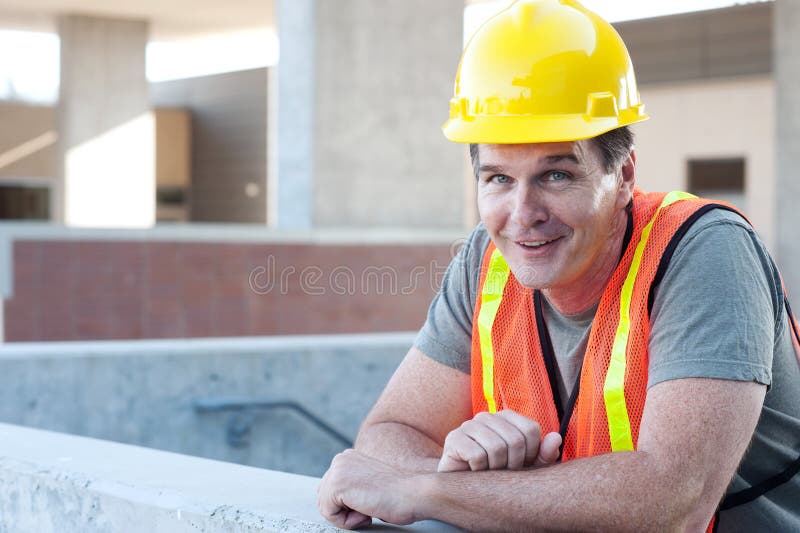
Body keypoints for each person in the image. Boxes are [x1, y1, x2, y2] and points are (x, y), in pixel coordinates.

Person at [317, 0, 800, 530]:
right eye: (498, 178)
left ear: (623, 176)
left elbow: (672, 502)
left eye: (556, 176)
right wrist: (465, 478)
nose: (523, 215)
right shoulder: (487, 260)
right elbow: (387, 436)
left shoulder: (704, 250)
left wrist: (434, 490)